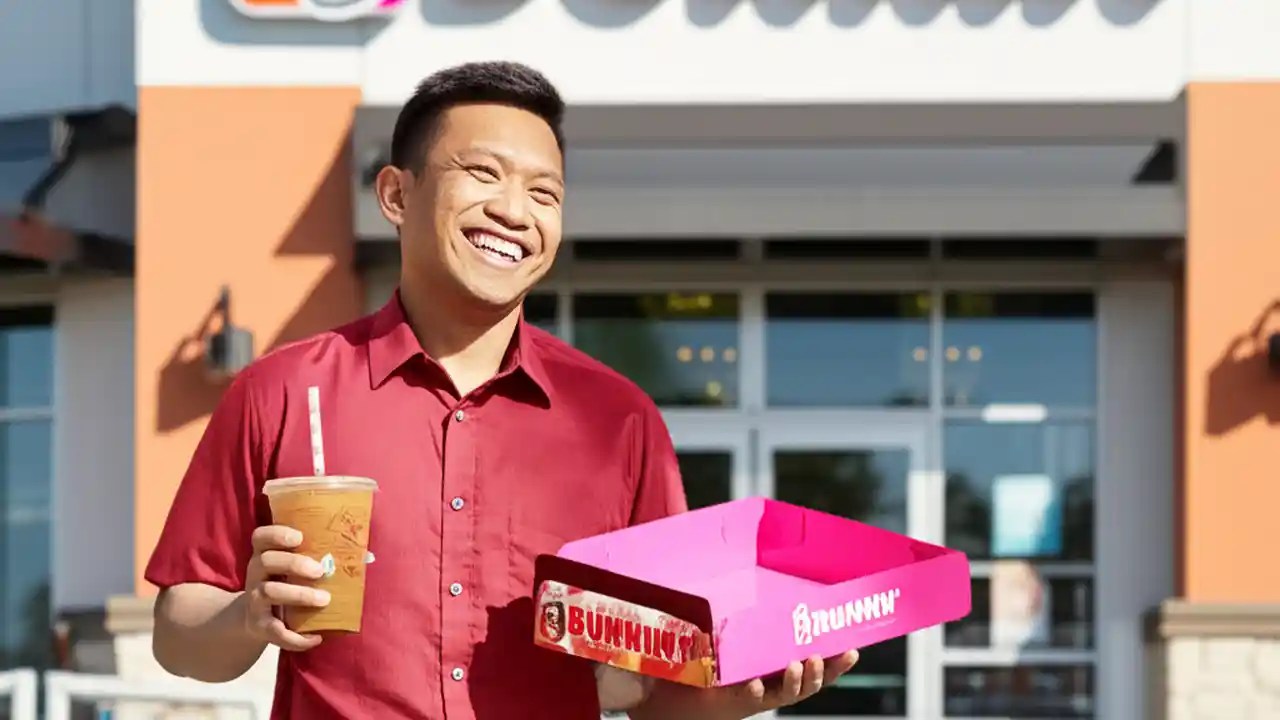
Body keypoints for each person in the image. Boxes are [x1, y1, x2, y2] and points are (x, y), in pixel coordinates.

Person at [146, 60, 858, 719]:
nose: (515, 212)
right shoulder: (284, 390)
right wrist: (247, 614)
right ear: (397, 193)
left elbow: (648, 686)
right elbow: (178, 638)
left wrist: (737, 695)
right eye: (482, 173)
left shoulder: (618, 422)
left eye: (543, 191)